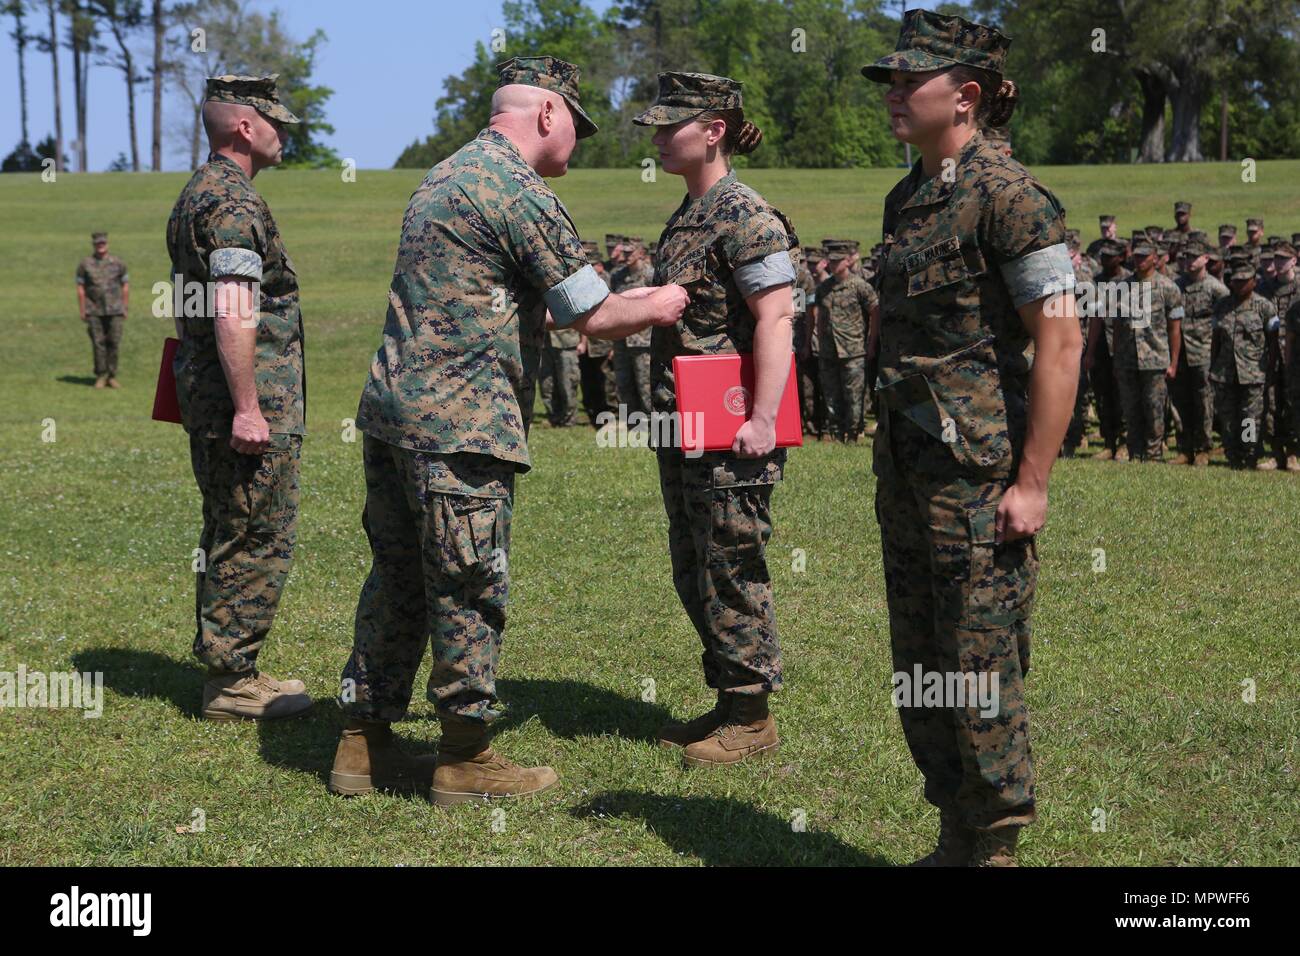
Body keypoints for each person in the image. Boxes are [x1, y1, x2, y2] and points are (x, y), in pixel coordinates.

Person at [331, 56, 689, 802]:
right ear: (550, 114)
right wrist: (663, 301)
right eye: (578, 129)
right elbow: (589, 312)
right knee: (467, 583)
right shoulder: (517, 191)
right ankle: (465, 757)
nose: (577, 146)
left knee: (397, 577)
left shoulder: (442, 174)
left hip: (393, 416)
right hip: (461, 424)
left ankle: (362, 745)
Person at [863, 9, 1081, 866]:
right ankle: (954, 828)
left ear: (968, 97)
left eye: (910, 78)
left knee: (979, 661)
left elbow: (1060, 339)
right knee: (920, 658)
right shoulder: (908, 197)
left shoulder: (1011, 196)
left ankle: (993, 844)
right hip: (910, 472)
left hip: (978, 481)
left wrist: (1032, 483)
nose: (892, 92)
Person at [633, 71, 798, 768]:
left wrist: (762, 418)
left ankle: (753, 717)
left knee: (732, 564)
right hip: (687, 425)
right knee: (693, 563)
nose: (660, 137)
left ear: (715, 130)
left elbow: (776, 316)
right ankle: (730, 697)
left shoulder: (746, 213)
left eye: (673, 124)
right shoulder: (688, 213)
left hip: (733, 429)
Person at [166, 75, 312, 721]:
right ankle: (230, 682)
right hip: (244, 403)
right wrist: (249, 407)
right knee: (253, 532)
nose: (285, 132)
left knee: (231, 524)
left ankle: (235, 664)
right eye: (275, 121)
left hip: (210, 391)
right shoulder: (231, 203)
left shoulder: (199, 192)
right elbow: (232, 306)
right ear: (245, 127)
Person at [1109, 238, 1183, 462]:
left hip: (1155, 359)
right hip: (1127, 360)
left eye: (1144, 256)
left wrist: (1173, 362)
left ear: (1155, 258)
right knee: (1131, 411)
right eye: (1137, 255)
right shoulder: (1122, 287)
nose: (1139, 260)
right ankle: (1135, 453)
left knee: (1154, 411)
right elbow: (1116, 327)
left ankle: (1153, 456)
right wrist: (1115, 360)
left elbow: (1174, 329)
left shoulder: (1168, 288)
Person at [1211, 253, 1278, 470]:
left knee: (1249, 420)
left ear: (1254, 281)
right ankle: (1233, 456)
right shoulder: (1222, 306)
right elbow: (1215, 341)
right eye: (1235, 281)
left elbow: (1273, 343)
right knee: (1228, 419)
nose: (1239, 284)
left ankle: (1249, 456)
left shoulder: (1264, 307)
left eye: (1244, 280)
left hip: (1253, 374)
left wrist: (1270, 370)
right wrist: (1212, 368)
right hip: (1225, 373)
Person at [1172, 240, 1229, 466]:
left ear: (1206, 258)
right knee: (1180, 401)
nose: (1190, 261)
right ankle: (1184, 448)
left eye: (1195, 257)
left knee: (1204, 402)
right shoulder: (1176, 286)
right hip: (1180, 352)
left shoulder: (1216, 289)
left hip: (1204, 352)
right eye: (1186, 256)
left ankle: (1204, 448)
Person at [815, 240, 878, 442]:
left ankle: (853, 434)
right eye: (831, 262)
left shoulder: (860, 286)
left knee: (854, 397)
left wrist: (871, 343)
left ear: (848, 261)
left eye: (838, 261)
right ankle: (835, 434)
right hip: (828, 351)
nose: (834, 265)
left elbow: (875, 313)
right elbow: (818, 317)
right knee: (831, 395)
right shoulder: (823, 288)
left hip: (853, 351)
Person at [1084, 240, 1130, 460]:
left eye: (1110, 256)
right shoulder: (1096, 282)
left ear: (1121, 257)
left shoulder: (1130, 281)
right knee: (1103, 396)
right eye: (1102, 256)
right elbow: (1094, 318)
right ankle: (1109, 442)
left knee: (1123, 397)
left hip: (1124, 348)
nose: (1104, 260)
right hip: (1102, 346)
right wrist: (1090, 353)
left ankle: (1125, 442)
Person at [76, 231, 129, 389]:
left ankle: (111, 376)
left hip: (115, 310)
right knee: (98, 343)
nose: (100, 246)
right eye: (98, 243)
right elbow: (80, 288)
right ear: (94, 245)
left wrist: (125, 307)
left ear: (107, 244)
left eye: (103, 243)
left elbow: (125, 286)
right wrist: (82, 309)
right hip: (93, 310)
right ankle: (100, 375)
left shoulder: (118, 263)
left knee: (114, 341)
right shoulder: (85, 265)